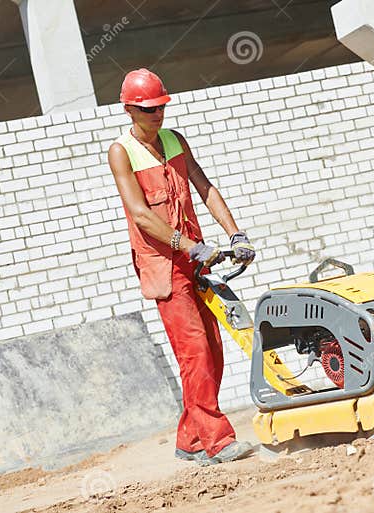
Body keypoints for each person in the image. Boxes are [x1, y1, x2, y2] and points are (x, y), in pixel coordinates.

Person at [107, 68, 255, 465]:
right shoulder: (121, 152)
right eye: (148, 109)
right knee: (195, 354)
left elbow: (204, 187)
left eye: (161, 107)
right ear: (128, 109)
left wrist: (235, 234)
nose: (157, 114)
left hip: (195, 261)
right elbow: (141, 215)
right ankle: (218, 442)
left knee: (214, 352)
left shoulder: (175, 140)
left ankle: (190, 439)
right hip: (164, 266)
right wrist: (189, 246)